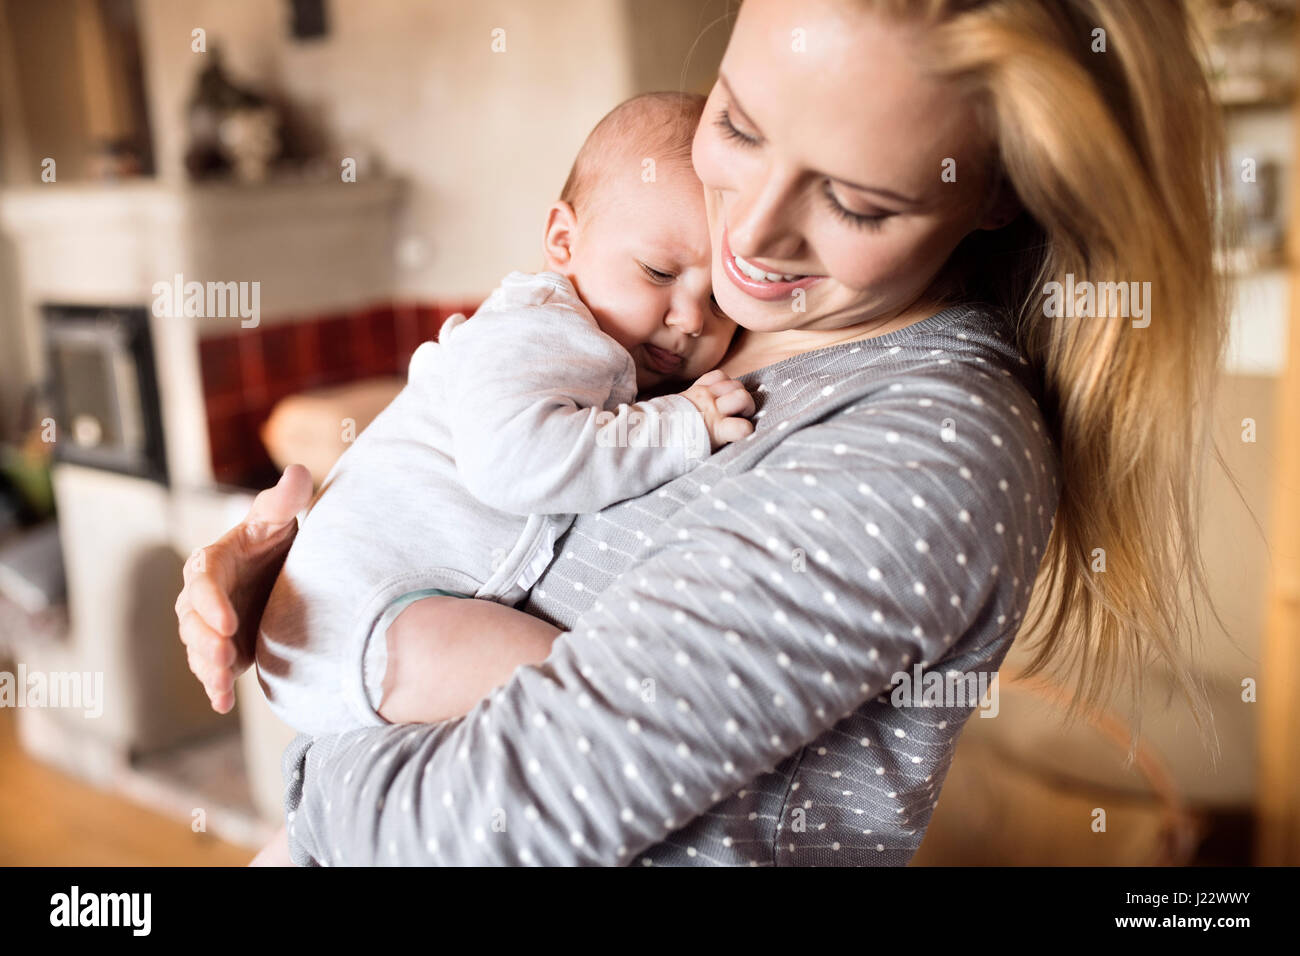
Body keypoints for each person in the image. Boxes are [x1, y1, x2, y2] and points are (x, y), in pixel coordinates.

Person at [177, 0, 1226, 866]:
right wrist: (307, 576)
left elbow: (494, 823)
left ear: (994, 191)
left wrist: (322, 749)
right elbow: (487, 508)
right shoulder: (701, 332)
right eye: (738, 124)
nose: (748, 235)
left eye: (856, 202)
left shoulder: (928, 448)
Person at [256, 92, 747, 739]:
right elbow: (511, 464)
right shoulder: (544, 328)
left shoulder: (580, 343)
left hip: (360, 627)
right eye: (658, 271)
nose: (688, 319)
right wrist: (681, 427)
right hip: (356, 620)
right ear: (563, 241)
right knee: (592, 699)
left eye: (716, 297)